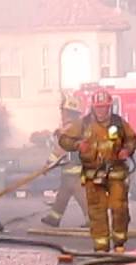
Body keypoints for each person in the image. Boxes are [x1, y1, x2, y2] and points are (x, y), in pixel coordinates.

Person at [58, 89, 136, 252]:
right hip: (92, 175)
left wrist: (127, 150)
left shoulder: (118, 123)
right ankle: (101, 247)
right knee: (97, 211)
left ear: (110, 107)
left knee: (119, 208)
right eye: (98, 107)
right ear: (93, 107)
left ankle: (119, 242)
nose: (102, 110)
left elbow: (132, 139)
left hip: (116, 172)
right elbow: (63, 139)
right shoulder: (83, 123)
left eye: (104, 107)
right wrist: (77, 145)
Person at [42, 94, 86, 227]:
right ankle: (54, 218)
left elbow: (60, 150)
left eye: (62, 110)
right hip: (71, 169)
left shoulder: (70, 129)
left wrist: (48, 165)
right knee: (63, 194)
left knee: (81, 195)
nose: (61, 113)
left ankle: (93, 220)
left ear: (68, 112)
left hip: (75, 171)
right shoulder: (76, 126)